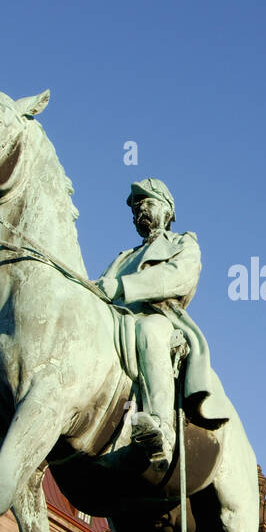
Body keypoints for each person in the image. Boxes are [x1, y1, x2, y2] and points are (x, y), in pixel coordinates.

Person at [95, 179, 229, 468]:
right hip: (116, 322)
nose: (139, 209)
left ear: (167, 210)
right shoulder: (123, 257)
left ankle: (162, 429)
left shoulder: (184, 243)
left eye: (147, 202)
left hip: (159, 318)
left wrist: (121, 286)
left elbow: (177, 277)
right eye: (135, 206)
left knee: (149, 331)